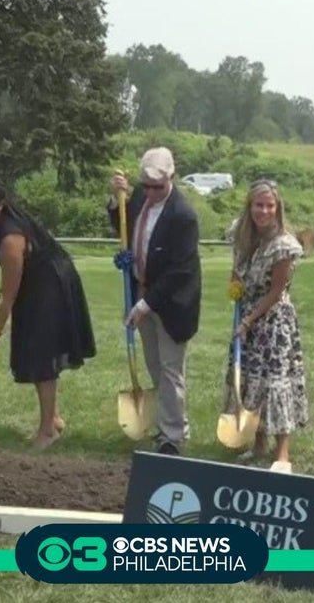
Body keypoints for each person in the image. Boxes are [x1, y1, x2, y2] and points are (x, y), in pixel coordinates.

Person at [0, 171, 96, 449]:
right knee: (39, 353)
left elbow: (8, 298)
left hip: (51, 287)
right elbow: (10, 283)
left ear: (1, 205)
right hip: (36, 284)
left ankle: (48, 430)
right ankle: (55, 419)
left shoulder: (10, 237)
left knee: (42, 356)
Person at [107, 147, 202, 455]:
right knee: (154, 365)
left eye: (157, 187)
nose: (150, 192)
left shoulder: (183, 215)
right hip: (141, 291)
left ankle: (173, 438)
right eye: (145, 185)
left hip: (172, 302)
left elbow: (179, 271)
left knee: (171, 369)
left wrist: (145, 304)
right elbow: (124, 226)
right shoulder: (139, 197)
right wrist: (116, 201)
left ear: (171, 178)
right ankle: (165, 424)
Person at [225, 180, 309, 473]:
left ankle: (282, 453)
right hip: (246, 316)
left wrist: (249, 321)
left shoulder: (284, 245)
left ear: (278, 208)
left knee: (275, 383)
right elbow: (236, 270)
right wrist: (234, 285)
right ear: (250, 207)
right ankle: (258, 444)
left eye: (269, 206)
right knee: (250, 381)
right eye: (258, 205)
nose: (263, 211)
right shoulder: (241, 236)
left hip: (273, 322)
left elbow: (276, 291)